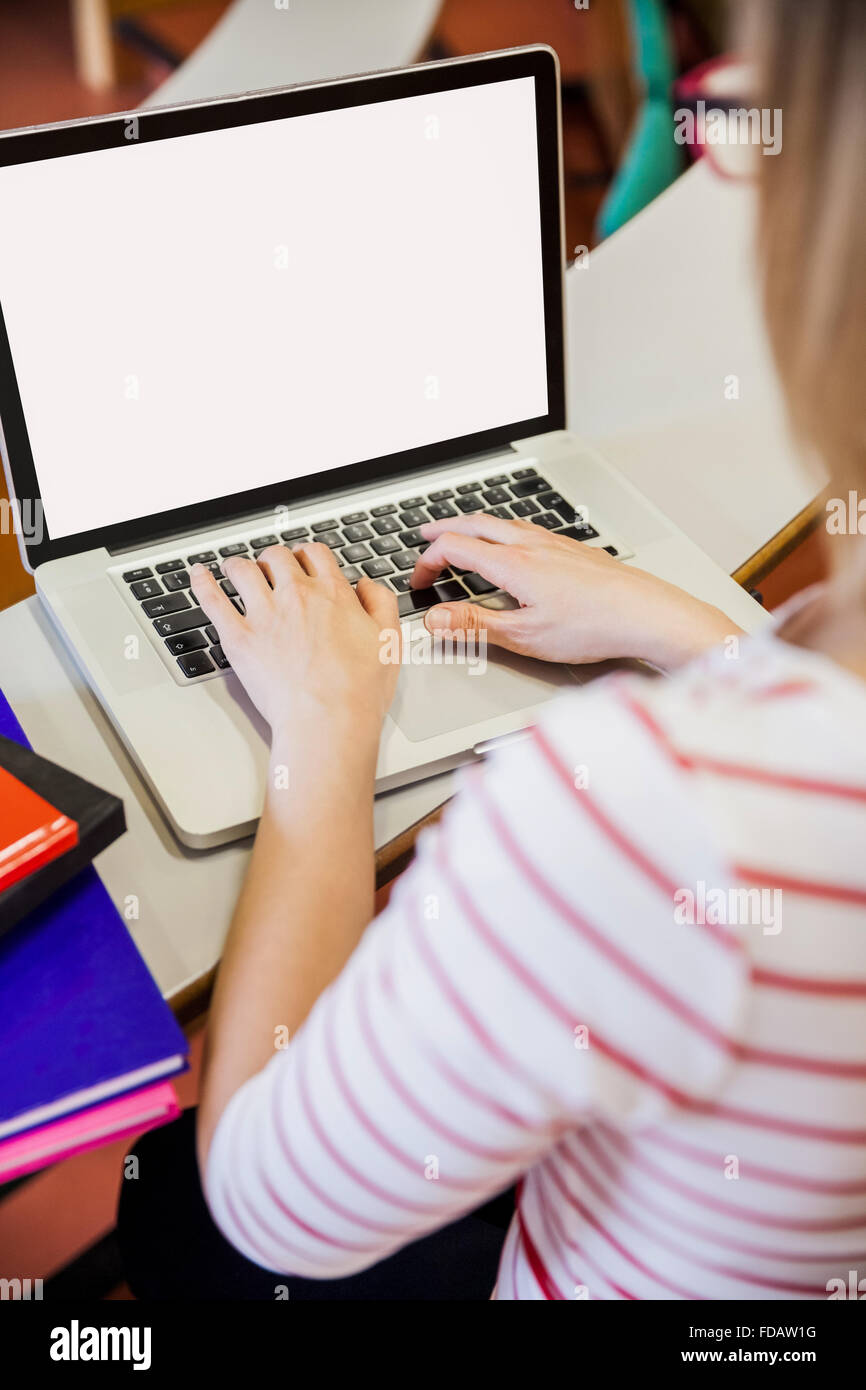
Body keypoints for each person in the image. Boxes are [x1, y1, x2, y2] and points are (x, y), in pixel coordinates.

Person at [118, 0, 866, 1300]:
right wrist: (694, 634)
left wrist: (322, 744)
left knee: (173, 1219)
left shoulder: (638, 813)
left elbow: (265, 1201)